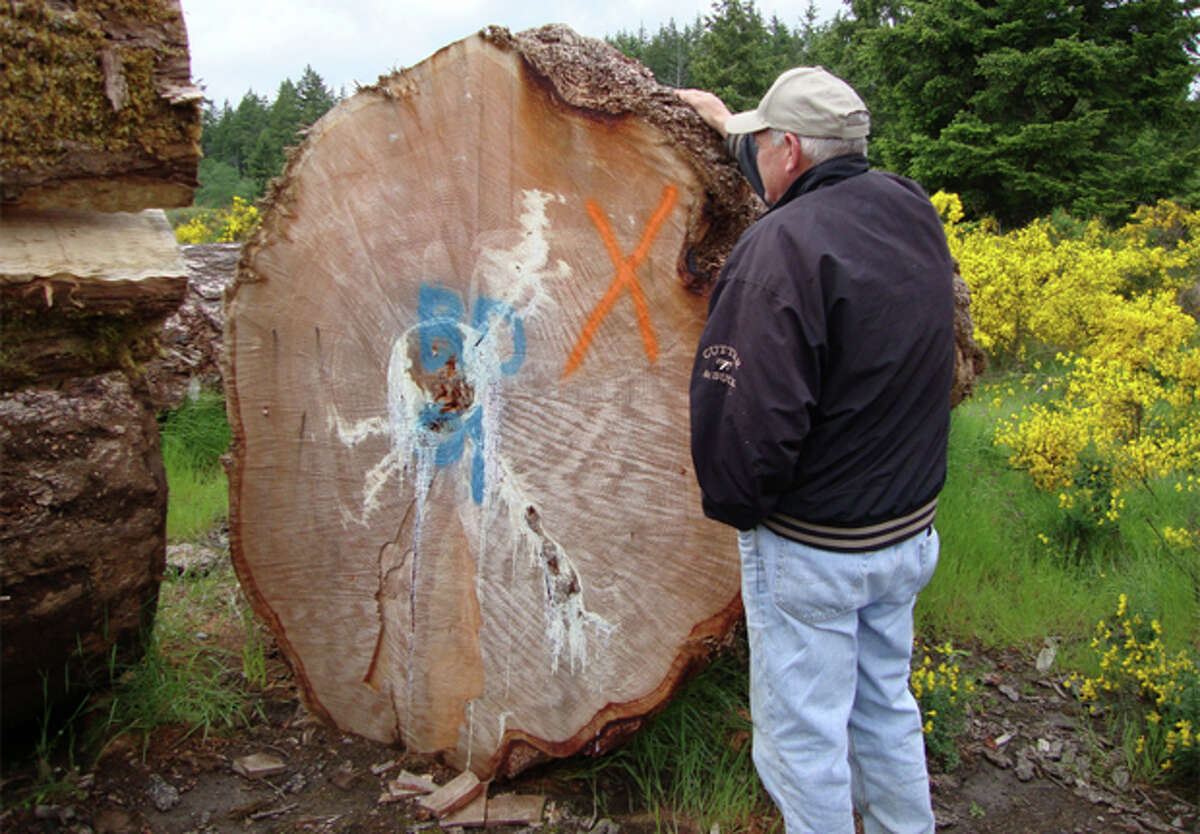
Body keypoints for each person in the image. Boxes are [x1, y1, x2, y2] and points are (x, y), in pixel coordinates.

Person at [678, 68, 956, 834]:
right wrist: (720, 122)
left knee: (804, 744)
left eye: (761, 141)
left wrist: (740, 509)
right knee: (883, 708)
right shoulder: (907, 209)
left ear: (790, 149)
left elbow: (746, 417)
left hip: (816, 550)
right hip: (903, 532)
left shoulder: (779, 247)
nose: (755, 156)